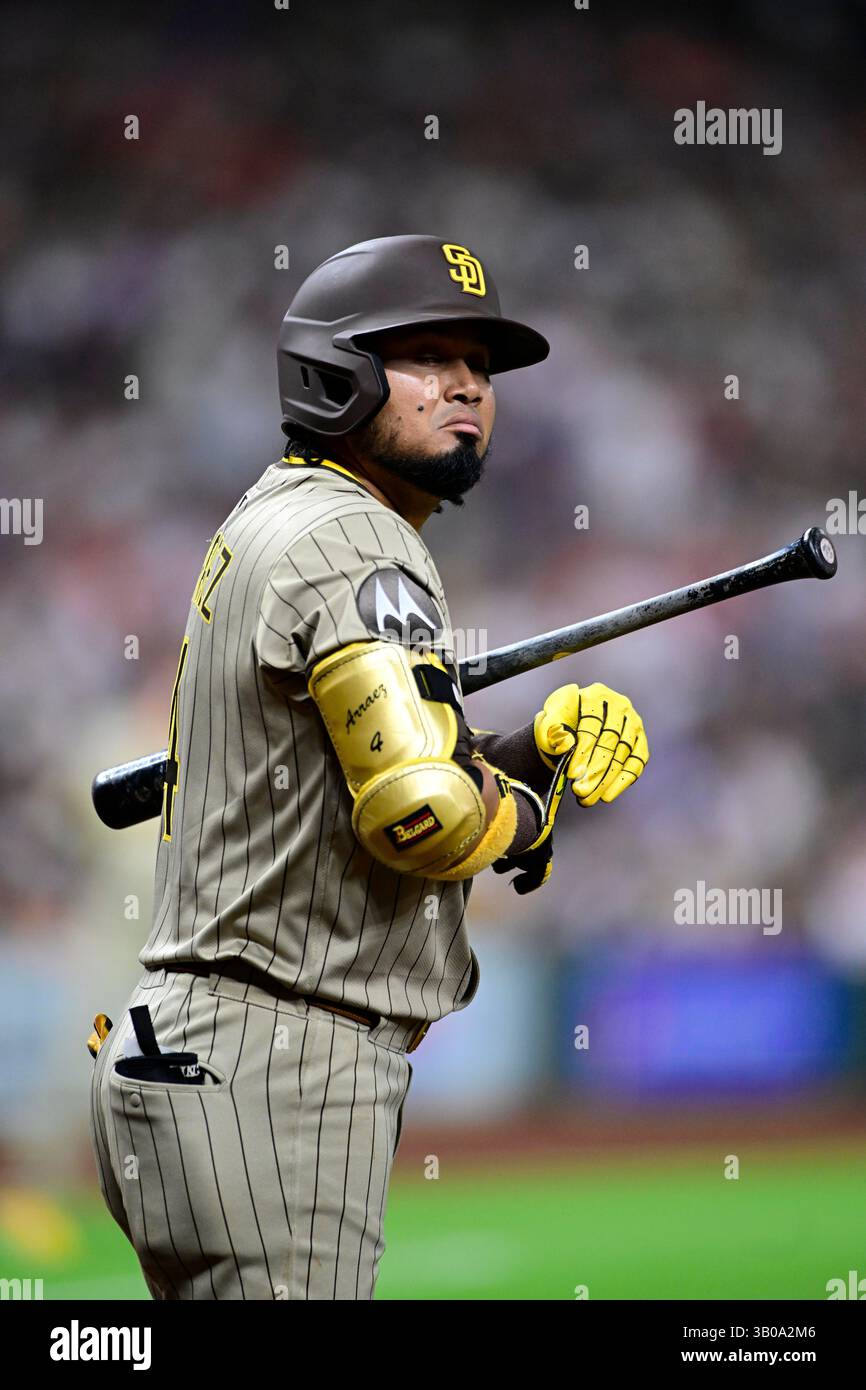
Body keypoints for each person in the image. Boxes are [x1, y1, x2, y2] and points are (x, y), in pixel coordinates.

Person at [87, 235, 649, 1300]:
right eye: (427, 356)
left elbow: (351, 777)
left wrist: (523, 752)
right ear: (333, 373)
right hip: (280, 1063)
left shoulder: (275, 515)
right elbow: (420, 812)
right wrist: (531, 811)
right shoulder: (360, 540)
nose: (466, 386)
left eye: (479, 367)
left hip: (191, 1043)